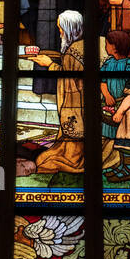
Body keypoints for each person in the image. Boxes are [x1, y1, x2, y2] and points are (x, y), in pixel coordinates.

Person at [27, 11, 86, 174]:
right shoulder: (80, 47)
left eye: (61, 29)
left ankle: (73, 158)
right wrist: (48, 57)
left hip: (76, 107)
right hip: (79, 106)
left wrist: (49, 64)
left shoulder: (74, 52)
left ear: (69, 30)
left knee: (45, 162)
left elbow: (70, 78)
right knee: (45, 158)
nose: (59, 32)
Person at [100, 30, 130, 144]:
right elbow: (102, 81)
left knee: (123, 136)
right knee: (107, 134)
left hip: (126, 107)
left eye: (107, 44)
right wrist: (107, 95)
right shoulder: (108, 63)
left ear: (115, 47)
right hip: (108, 104)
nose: (105, 46)